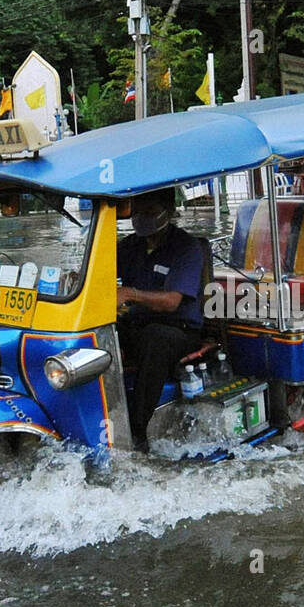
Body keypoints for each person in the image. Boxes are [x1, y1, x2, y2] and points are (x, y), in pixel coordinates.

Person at [115, 187, 206, 451]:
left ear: (170, 212)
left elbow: (171, 302)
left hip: (179, 330)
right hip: (137, 323)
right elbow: (102, 270)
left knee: (155, 337)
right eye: (139, 211)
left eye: (151, 212)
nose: (143, 217)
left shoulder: (186, 248)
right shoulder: (130, 246)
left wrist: (130, 293)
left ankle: (137, 430)